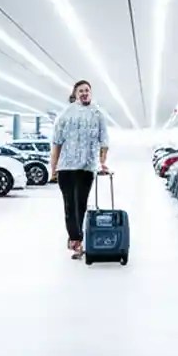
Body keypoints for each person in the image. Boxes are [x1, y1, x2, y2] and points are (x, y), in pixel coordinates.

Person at [49, 79, 109, 259]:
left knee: (80, 204)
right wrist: (53, 169)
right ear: (75, 94)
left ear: (91, 93)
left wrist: (102, 161)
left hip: (86, 167)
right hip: (66, 168)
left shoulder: (98, 114)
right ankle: (75, 239)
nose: (84, 93)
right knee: (69, 205)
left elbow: (104, 141)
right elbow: (56, 144)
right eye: (81, 90)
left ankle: (79, 240)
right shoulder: (65, 115)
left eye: (87, 90)